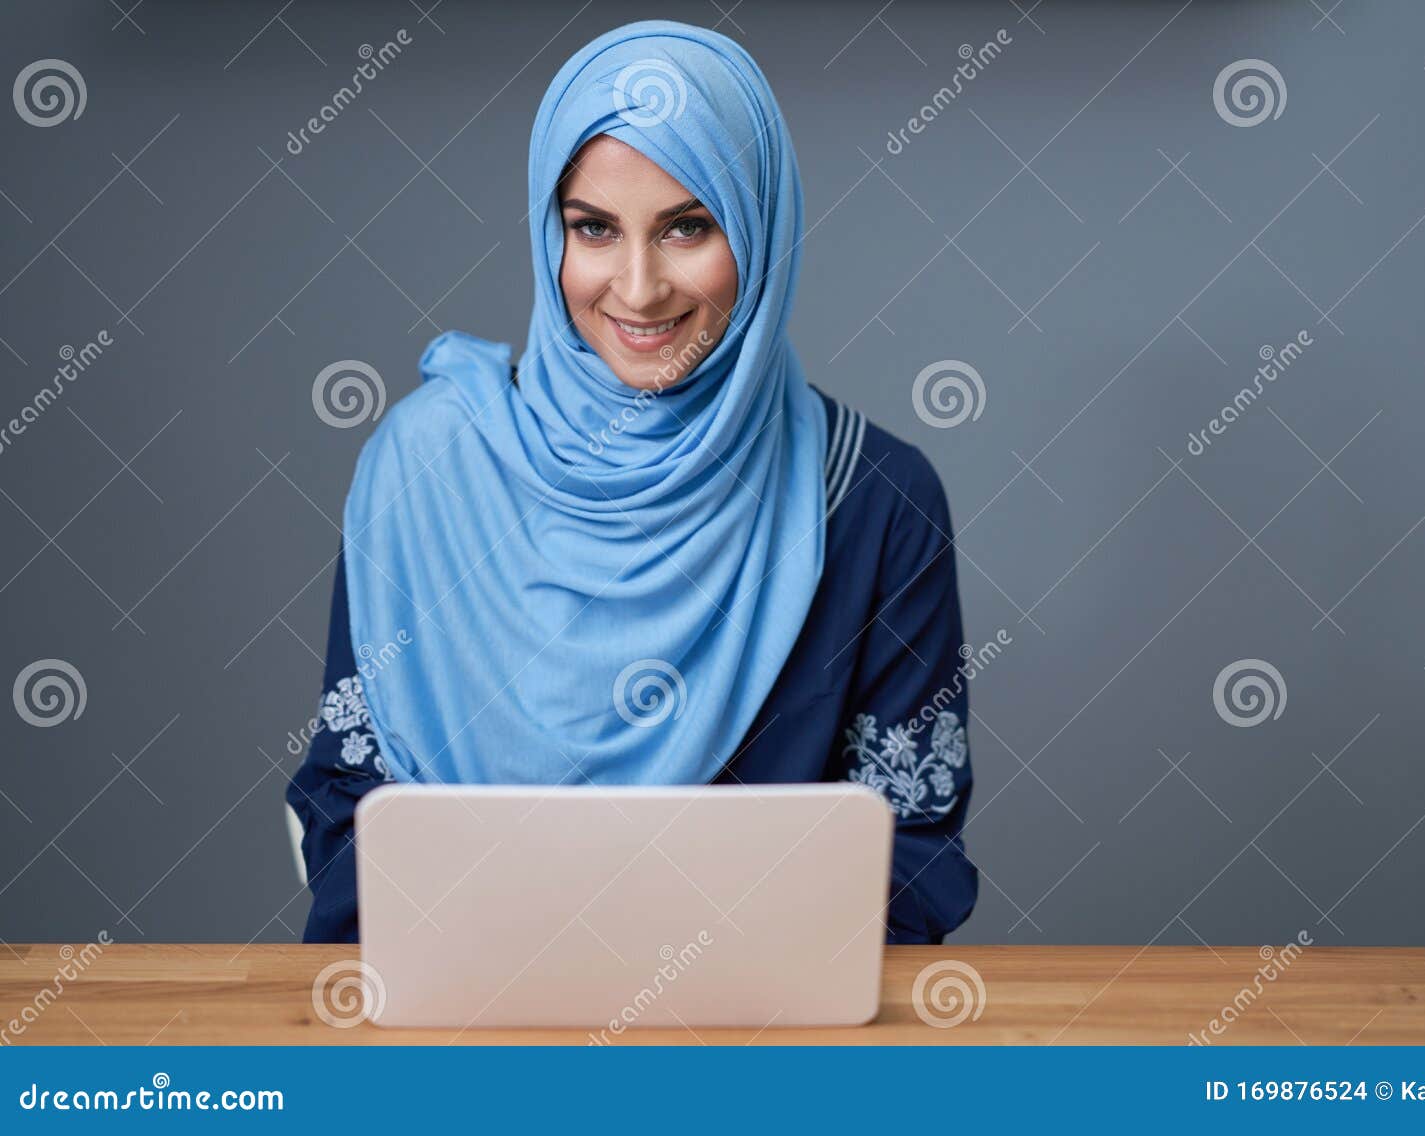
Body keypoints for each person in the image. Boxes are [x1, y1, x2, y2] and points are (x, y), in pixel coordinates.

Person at [286, 19, 977, 946]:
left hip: (757, 1055)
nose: (640, 289)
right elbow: (348, 801)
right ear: (550, 233)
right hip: (465, 1036)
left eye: (689, 226)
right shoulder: (428, 469)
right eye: (595, 229)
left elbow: (911, 851)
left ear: (762, 228)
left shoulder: (872, 499)